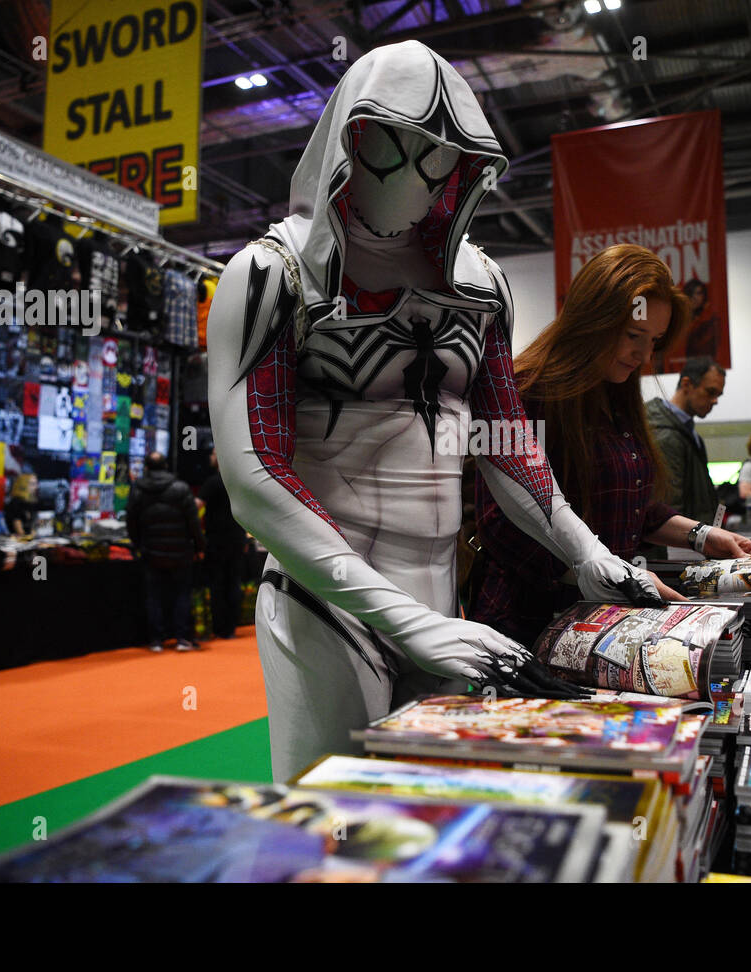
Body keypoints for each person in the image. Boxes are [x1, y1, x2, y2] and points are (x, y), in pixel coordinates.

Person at [206, 42, 655, 782]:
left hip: (445, 599)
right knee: (336, 828)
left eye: (436, 157)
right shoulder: (273, 273)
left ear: (463, 164)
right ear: (351, 137)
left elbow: (507, 444)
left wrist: (586, 552)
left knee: (427, 821)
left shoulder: (480, 285)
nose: (415, 179)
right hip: (326, 602)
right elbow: (252, 473)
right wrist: (411, 624)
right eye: (393, 148)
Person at [472, 245, 751, 646]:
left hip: (601, 621)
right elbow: (498, 523)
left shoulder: (615, 394)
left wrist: (703, 536)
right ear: (595, 318)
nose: (643, 355)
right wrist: (601, 573)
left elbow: (634, 509)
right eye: (633, 335)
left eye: (654, 341)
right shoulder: (528, 391)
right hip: (528, 625)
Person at [127, 452, 204, 653]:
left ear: (146, 467)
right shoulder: (181, 488)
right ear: (166, 466)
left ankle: (156, 640)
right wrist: (199, 547)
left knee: (153, 597)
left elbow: (131, 522)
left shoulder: (138, 490)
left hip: (151, 552)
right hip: (181, 552)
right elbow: (193, 523)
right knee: (182, 595)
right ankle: (181, 638)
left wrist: (138, 545)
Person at [646, 357, 725, 525]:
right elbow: (669, 509)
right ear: (687, 384)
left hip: (693, 541)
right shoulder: (666, 435)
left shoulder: (687, 433)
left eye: (718, 394)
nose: (715, 401)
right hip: (683, 545)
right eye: (711, 392)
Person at [199, 448, 248, 639]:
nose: (210, 457)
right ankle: (231, 627)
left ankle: (219, 627)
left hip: (217, 540)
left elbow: (196, 506)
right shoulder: (238, 483)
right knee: (234, 582)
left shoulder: (213, 483)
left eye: (212, 454)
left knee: (217, 583)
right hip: (237, 538)